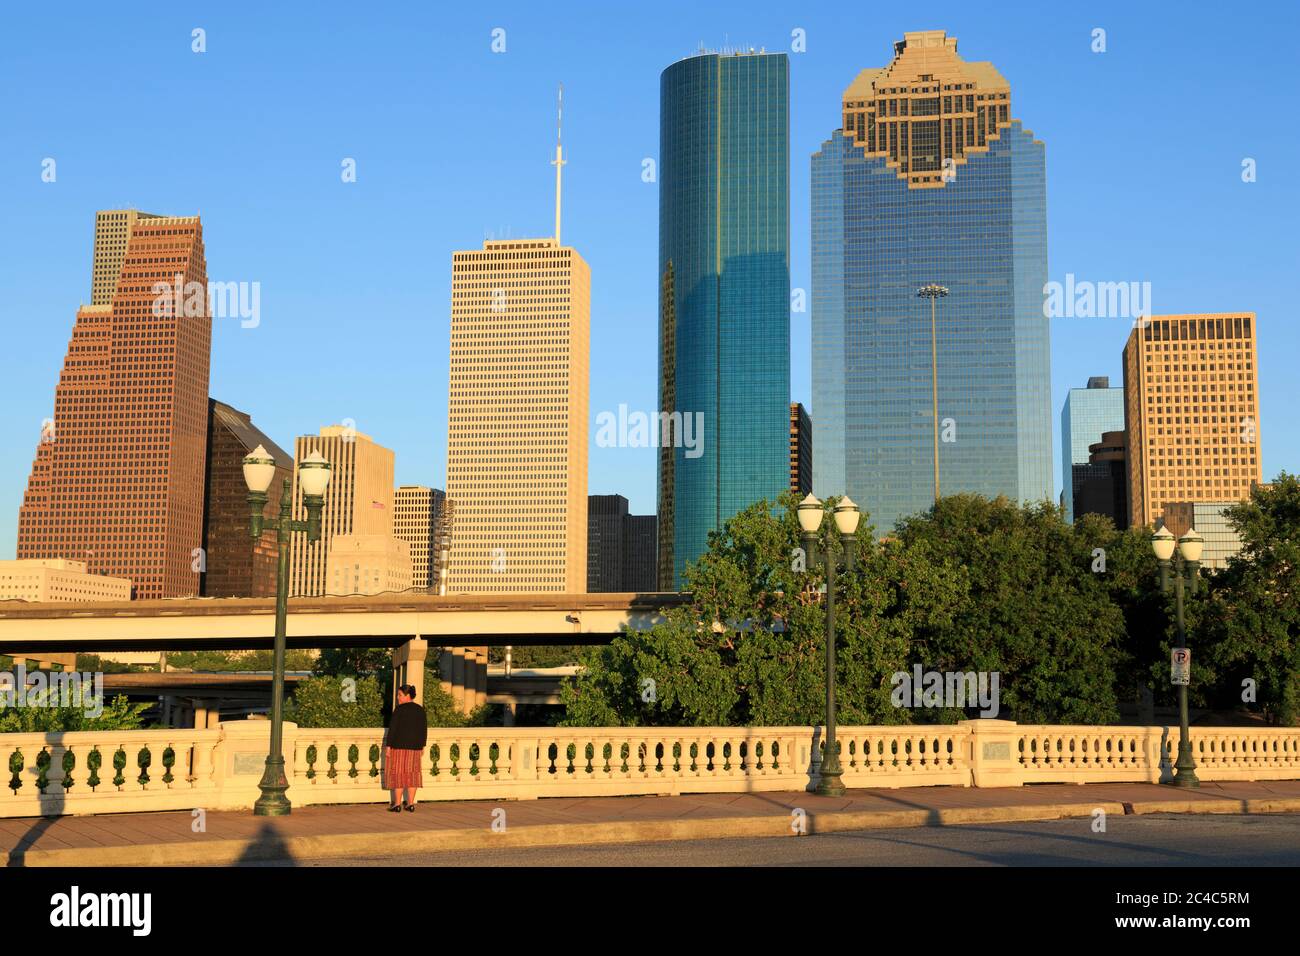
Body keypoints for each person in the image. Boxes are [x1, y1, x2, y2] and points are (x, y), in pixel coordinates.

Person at [383, 683, 427, 812]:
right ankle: (411, 803)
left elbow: (393, 729)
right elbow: (423, 729)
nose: (398, 697)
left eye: (400, 695)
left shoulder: (399, 710)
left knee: (398, 774)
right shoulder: (420, 709)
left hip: (399, 746)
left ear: (407, 695)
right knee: (412, 774)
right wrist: (422, 745)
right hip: (415, 747)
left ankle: (397, 804)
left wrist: (389, 746)